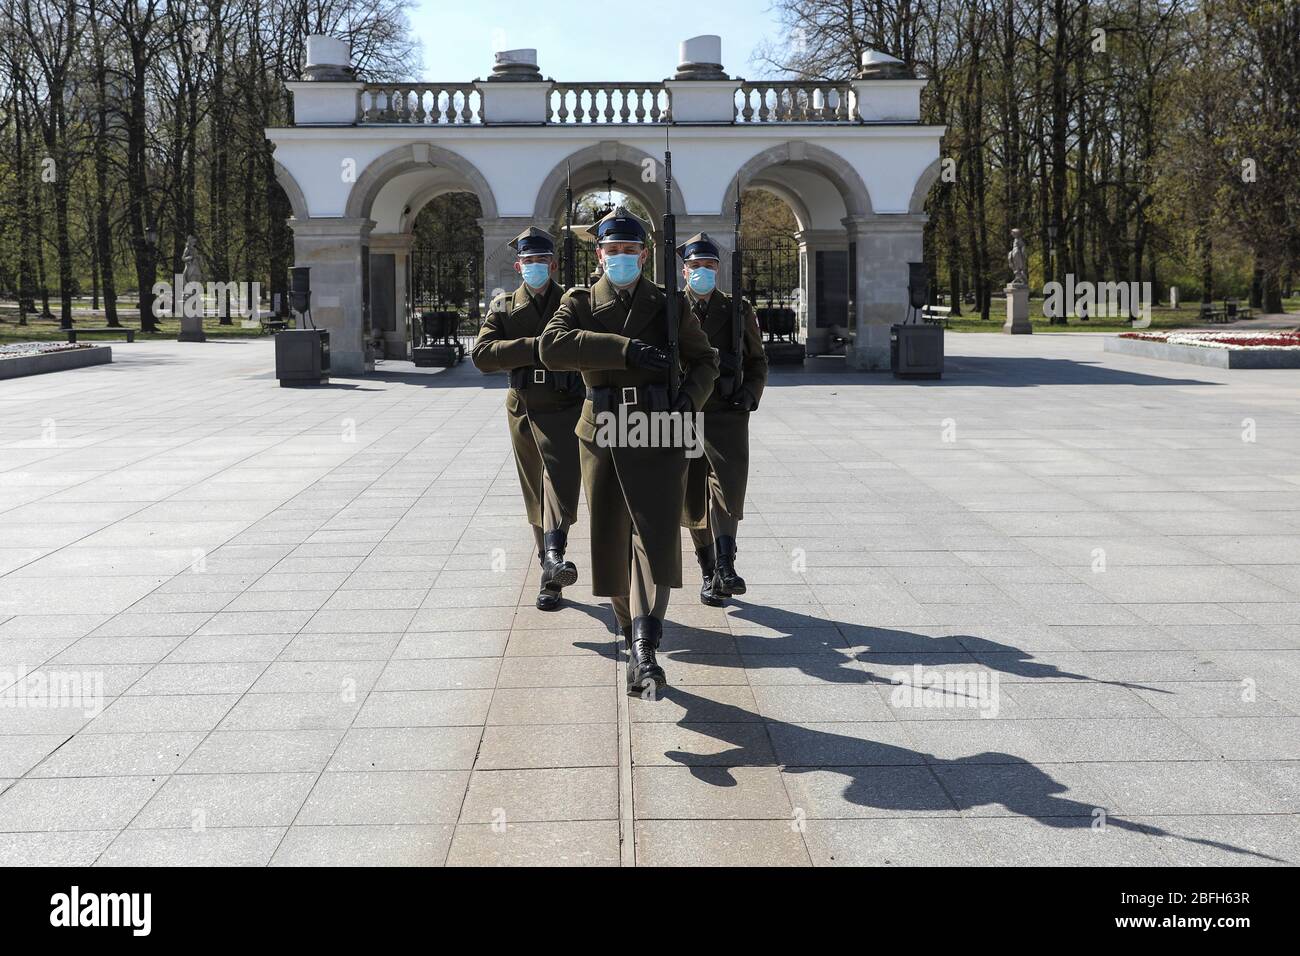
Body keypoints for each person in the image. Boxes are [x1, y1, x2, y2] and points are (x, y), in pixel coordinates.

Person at [539, 206, 719, 694]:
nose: (621, 257)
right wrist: (625, 349)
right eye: (612, 250)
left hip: (659, 423)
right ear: (599, 255)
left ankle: (645, 645)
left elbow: (706, 360)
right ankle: (628, 628)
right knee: (613, 539)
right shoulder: (579, 301)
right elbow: (551, 348)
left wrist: (689, 398)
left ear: (645, 254)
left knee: (655, 536)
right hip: (603, 425)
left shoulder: (670, 305)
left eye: (630, 250)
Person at [471, 227, 584, 611]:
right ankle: (550, 572)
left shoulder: (573, 300)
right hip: (524, 404)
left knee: (562, 480)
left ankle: (555, 553)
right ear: (519, 265)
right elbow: (483, 355)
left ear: (553, 263)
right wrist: (537, 347)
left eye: (542, 260)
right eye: (528, 260)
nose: (535, 266)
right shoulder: (502, 305)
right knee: (536, 486)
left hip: (567, 402)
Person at [676, 233, 768, 605]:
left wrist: (750, 394)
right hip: (683, 410)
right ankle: (708, 569)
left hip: (727, 411)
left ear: (719, 269)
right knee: (692, 494)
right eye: (696, 266)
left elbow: (757, 359)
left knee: (727, 487)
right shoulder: (671, 308)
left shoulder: (737, 309)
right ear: (684, 271)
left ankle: (727, 564)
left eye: (710, 266)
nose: (703, 272)